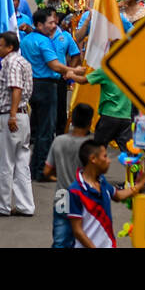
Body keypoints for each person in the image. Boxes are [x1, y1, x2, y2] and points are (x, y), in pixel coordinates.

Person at [20, 8, 78, 181]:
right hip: (46, 86)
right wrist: (73, 70)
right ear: (39, 24)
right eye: (50, 22)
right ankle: (40, 170)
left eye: (54, 22)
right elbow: (54, 65)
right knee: (46, 130)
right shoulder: (44, 41)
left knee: (38, 129)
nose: (54, 25)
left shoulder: (27, 40)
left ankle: (33, 167)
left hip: (33, 85)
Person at [0, 31, 33, 218]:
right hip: (21, 116)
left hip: (10, 117)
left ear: (9, 47)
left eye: (1, 45)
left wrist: (11, 115)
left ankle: (1, 205)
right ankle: (25, 205)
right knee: (21, 163)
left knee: (4, 162)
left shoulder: (11, 63)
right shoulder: (22, 62)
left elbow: (16, 89)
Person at [68, 140, 141, 249]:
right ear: (93, 159)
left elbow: (118, 196)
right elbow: (77, 230)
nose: (109, 160)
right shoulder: (75, 191)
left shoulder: (102, 182)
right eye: (105, 156)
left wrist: (140, 185)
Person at [44, 102, 92, 248]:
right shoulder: (91, 144)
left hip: (62, 194)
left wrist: (59, 176)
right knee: (84, 237)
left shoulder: (59, 141)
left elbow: (47, 171)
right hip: (84, 197)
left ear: (72, 120)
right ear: (90, 122)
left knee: (60, 239)